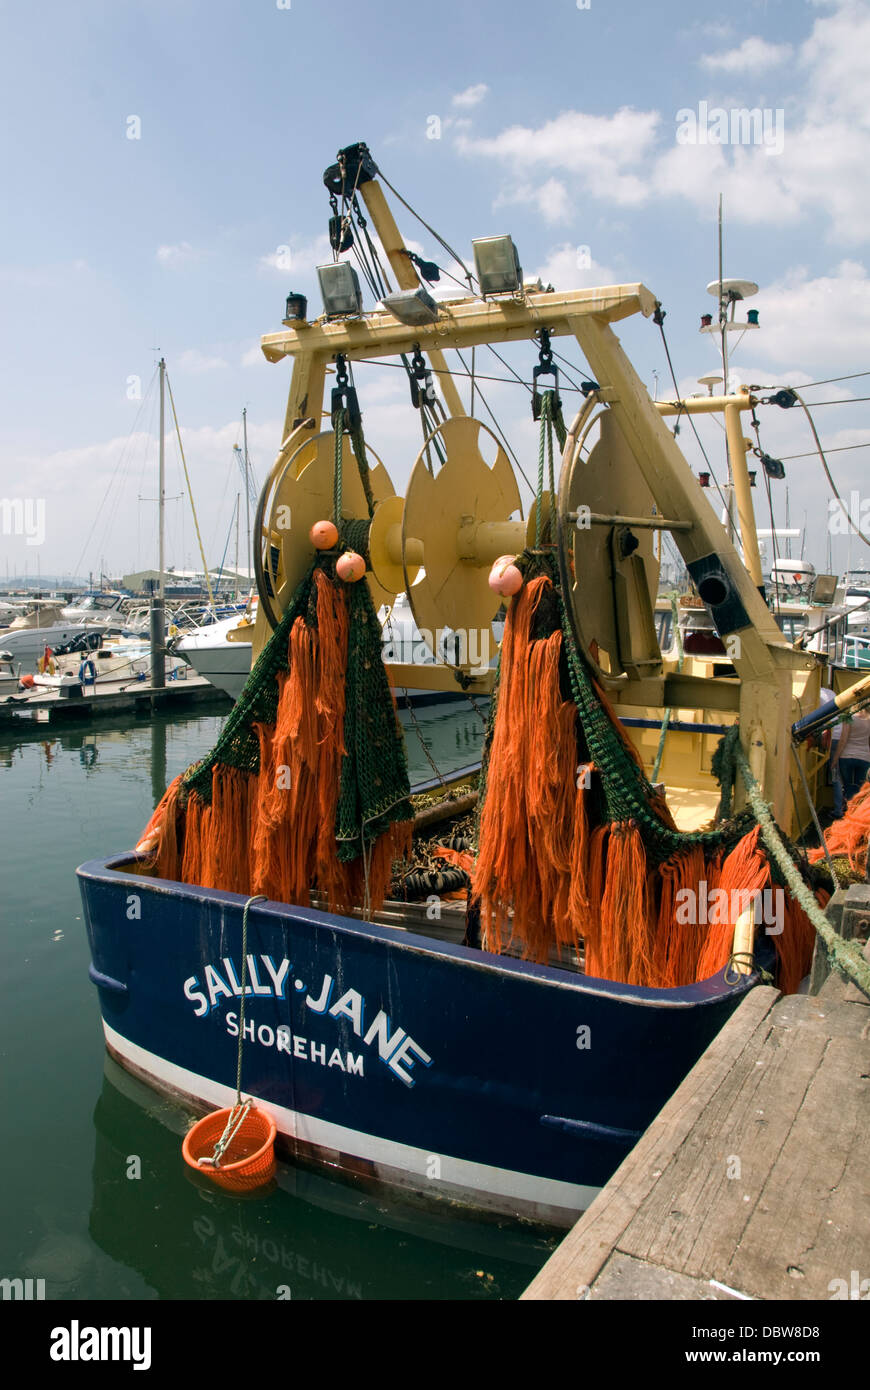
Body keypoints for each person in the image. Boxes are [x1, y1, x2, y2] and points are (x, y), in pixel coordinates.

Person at [831, 707, 870, 809]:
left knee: (848, 787)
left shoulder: (848, 717)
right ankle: (856, 812)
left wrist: (835, 759)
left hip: (847, 757)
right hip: (865, 758)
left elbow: (843, 739)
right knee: (859, 789)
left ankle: (848, 813)